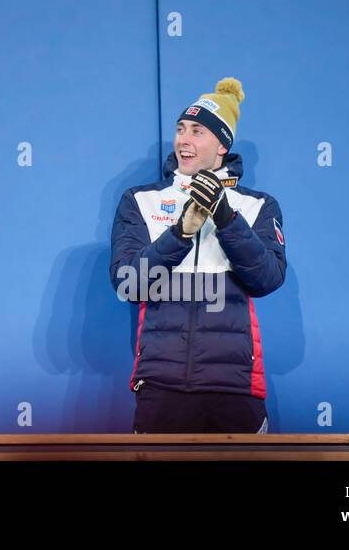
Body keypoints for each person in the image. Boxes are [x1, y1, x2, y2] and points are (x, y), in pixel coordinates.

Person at [109, 78, 286, 432]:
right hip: (161, 384)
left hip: (235, 385)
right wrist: (180, 234)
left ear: (222, 145)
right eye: (180, 129)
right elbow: (128, 283)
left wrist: (226, 219)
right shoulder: (140, 199)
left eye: (197, 131)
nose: (182, 140)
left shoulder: (257, 205)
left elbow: (267, 278)